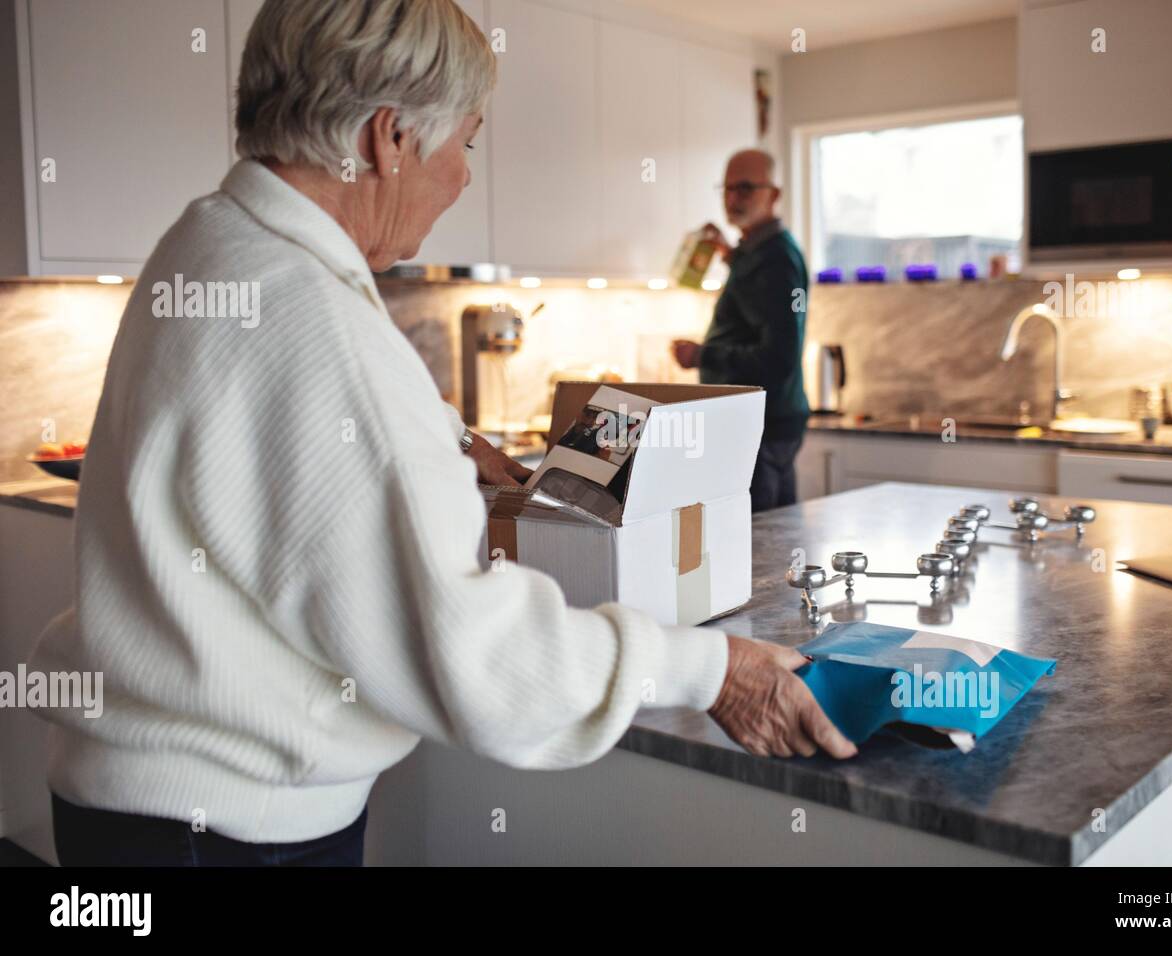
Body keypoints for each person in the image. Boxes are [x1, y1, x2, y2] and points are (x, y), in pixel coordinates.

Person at [27, 0, 854, 868]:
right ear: (389, 138)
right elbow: (476, 656)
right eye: (467, 141)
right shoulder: (308, 313)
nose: (463, 177)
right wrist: (712, 668)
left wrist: (436, 440)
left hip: (135, 815)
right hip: (226, 836)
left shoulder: (209, 243)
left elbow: (277, 450)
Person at [672, 149, 811, 512]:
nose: (733, 199)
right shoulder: (759, 250)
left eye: (746, 189)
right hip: (763, 422)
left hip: (759, 427)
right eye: (728, 189)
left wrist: (702, 354)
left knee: (758, 540)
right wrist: (728, 253)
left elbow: (778, 357)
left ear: (774, 195)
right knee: (774, 534)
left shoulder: (777, 259)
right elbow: (756, 300)